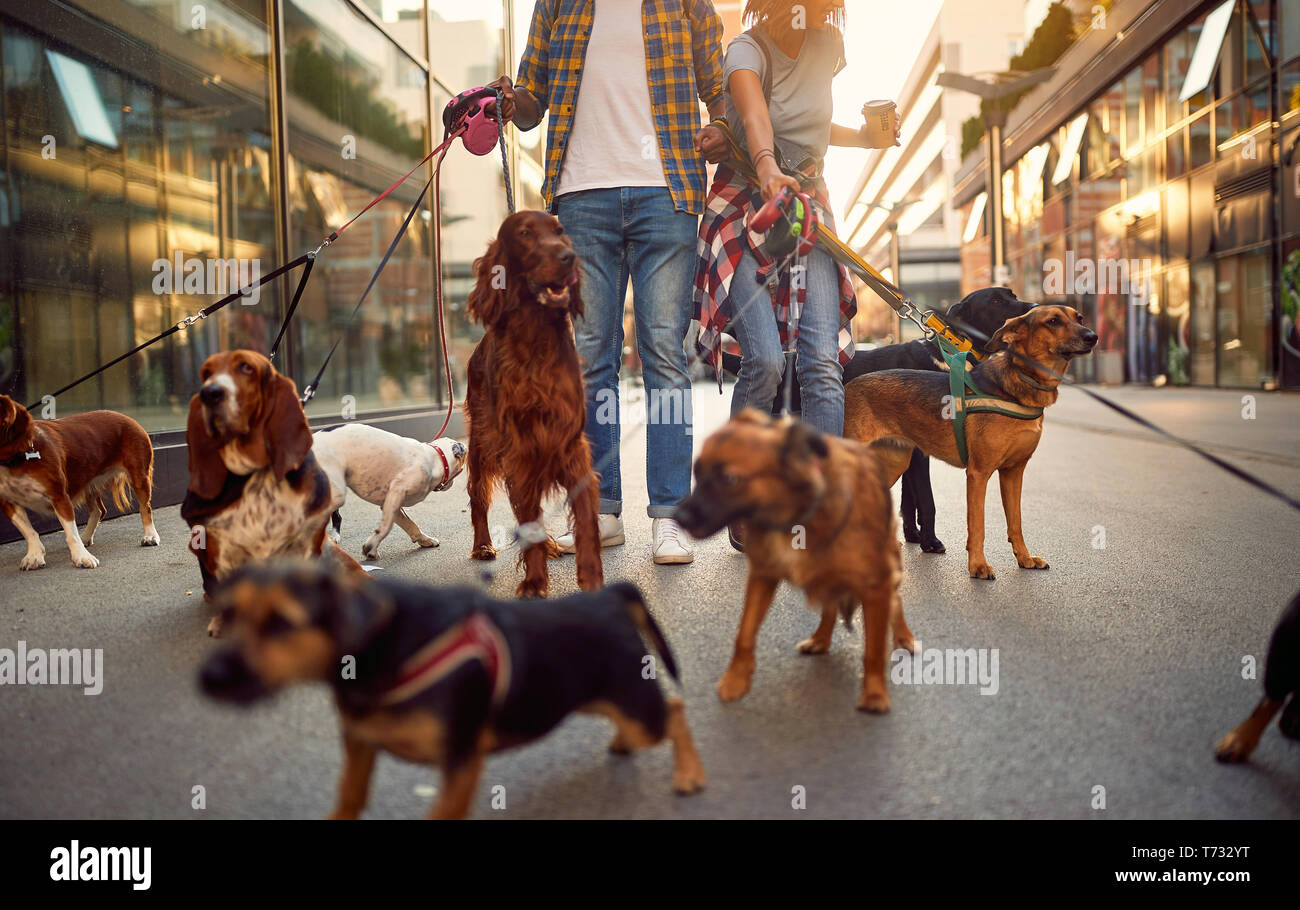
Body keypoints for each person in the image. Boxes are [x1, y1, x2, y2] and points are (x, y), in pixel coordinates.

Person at [489, 1, 728, 566]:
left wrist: (721, 127)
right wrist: (508, 98)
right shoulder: (558, 4)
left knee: (664, 357)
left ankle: (670, 516)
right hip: (581, 196)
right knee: (593, 356)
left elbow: (718, 87)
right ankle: (601, 509)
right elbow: (530, 104)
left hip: (666, 194)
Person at [693, 0, 899, 549]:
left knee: (820, 364)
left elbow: (810, 124)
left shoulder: (828, 48)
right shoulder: (744, 49)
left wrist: (865, 137)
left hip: (808, 208)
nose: (796, 14)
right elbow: (757, 115)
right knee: (761, 360)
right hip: (744, 203)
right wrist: (765, 166)